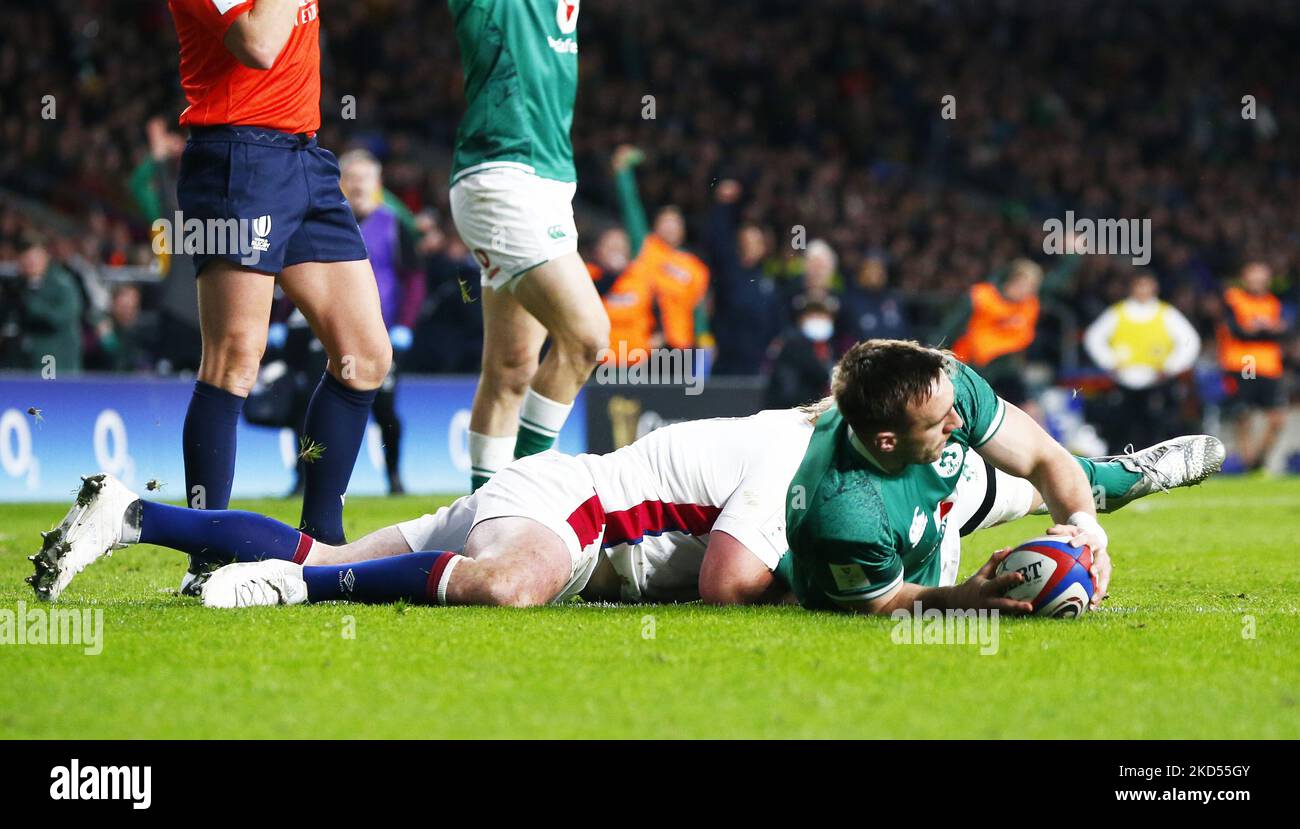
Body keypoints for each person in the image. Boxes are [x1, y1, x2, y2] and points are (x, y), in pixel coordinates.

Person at [36, 392, 1220, 611]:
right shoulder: (793, 468)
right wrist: (925, 592)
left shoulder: (934, 472)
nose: (951, 453)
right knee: (508, 588)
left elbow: (1028, 480)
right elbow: (729, 582)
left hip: (563, 500)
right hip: (575, 517)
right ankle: (293, 590)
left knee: (338, 537)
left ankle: (131, 518)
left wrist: (1111, 498)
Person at [167, 0, 393, 597]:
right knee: (235, 357)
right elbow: (258, 43)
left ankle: (320, 545)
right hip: (235, 156)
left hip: (305, 156)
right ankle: (205, 556)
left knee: (365, 356)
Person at [780, 339, 1225, 615]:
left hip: (936, 484)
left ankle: (1120, 477)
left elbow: (1043, 456)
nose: (958, 421)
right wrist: (960, 599)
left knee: (1043, 485)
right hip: (898, 556)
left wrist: (1088, 532)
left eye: (952, 405)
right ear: (887, 441)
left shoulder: (943, 387)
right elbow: (884, 602)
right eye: (939, 421)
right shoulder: (844, 515)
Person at [449, 0, 609, 491]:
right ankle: (524, 497)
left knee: (510, 368)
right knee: (587, 338)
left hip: (549, 183)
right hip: (505, 176)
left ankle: (481, 513)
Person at [339, 149, 426, 495]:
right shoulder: (330, 223)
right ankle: (308, 481)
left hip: (381, 333)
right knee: (317, 407)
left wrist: (405, 323)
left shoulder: (394, 226)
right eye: (352, 179)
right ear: (341, 184)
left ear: (377, 184)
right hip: (331, 332)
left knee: (385, 409)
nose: (359, 186)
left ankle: (393, 476)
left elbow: (415, 279)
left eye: (365, 179)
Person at [1083, 273, 1202, 451]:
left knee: (1157, 428)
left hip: (1156, 380)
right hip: (1125, 380)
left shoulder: (1165, 313)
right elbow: (1093, 338)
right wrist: (1109, 362)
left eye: (1147, 285)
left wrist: (1170, 367)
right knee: (1123, 427)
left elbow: (1190, 342)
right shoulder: (1118, 312)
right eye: (1140, 285)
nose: (1143, 290)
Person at [1217, 262, 1290, 472]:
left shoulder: (1273, 302)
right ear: (1244, 278)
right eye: (1253, 276)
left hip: (1270, 366)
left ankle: (1258, 460)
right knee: (1243, 414)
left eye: (1261, 277)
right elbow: (1239, 331)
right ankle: (1249, 464)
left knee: (1277, 418)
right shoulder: (1233, 298)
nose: (1257, 281)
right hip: (1244, 363)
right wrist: (1268, 329)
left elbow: (1285, 331)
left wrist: (1261, 328)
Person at [705, 178, 783, 376]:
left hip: (758, 362)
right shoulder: (730, 271)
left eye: (757, 240)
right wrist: (724, 205)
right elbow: (718, 240)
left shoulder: (769, 278)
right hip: (726, 357)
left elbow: (777, 321)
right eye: (747, 240)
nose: (751, 244)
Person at [946, 259, 1042, 406]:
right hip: (970, 362)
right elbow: (950, 328)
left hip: (1004, 366)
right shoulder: (982, 296)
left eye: (1032, 287)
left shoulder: (1029, 305)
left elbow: (1022, 337)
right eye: (1026, 285)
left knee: (1025, 401)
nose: (1028, 291)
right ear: (1013, 280)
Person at [16, 234, 84, 376]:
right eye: (26, 258)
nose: (29, 263)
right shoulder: (18, 286)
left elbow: (62, 316)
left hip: (55, 356)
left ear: (45, 257)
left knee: (53, 395)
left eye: (33, 258)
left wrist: (34, 305)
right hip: (28, 359)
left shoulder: (62, 283)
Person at [764, 300, 836, 410]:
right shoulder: (792, 343)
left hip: (813, 409)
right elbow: (819, 375)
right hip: (792, 410)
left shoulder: (829, 346)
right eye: (812, 315)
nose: (818, 320)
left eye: (822, 315)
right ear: (801, 319)